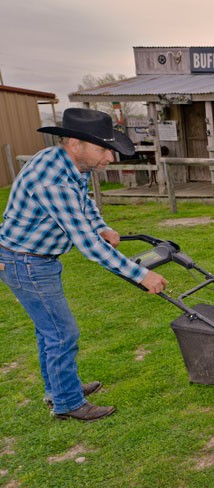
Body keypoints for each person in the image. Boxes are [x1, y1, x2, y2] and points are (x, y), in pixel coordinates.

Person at [0, 108, 168, 422]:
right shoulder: (53, 181)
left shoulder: (71, 166)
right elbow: (87, 245)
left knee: (48, 331)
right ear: (76, 143)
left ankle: (61, 390)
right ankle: (67, 404)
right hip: (24, 261)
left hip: (36, 259)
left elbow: (84, 201)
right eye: (103, 149)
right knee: (62, 334)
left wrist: (102, 226)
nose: (110, 158)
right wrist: (141, 274)